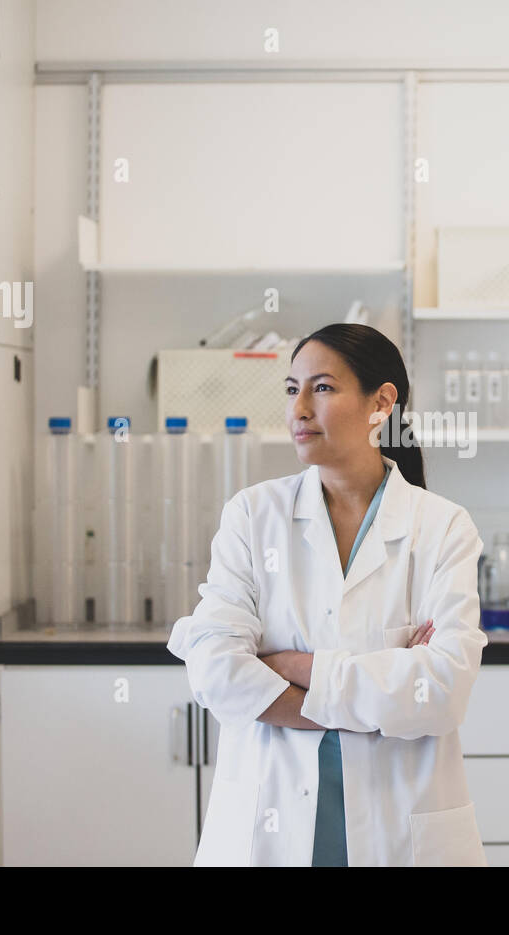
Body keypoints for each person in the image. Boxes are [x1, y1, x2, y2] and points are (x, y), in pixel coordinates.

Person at [168, 323, 488, 866]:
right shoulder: (253, 517)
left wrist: (289, 665)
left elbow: (442, 692)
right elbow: (217, 673)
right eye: (292, 389)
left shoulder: (441, 528)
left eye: (322, 388)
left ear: (381, 402)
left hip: (399, 831)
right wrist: (375, 693)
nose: (299, 409)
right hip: (269, 825)